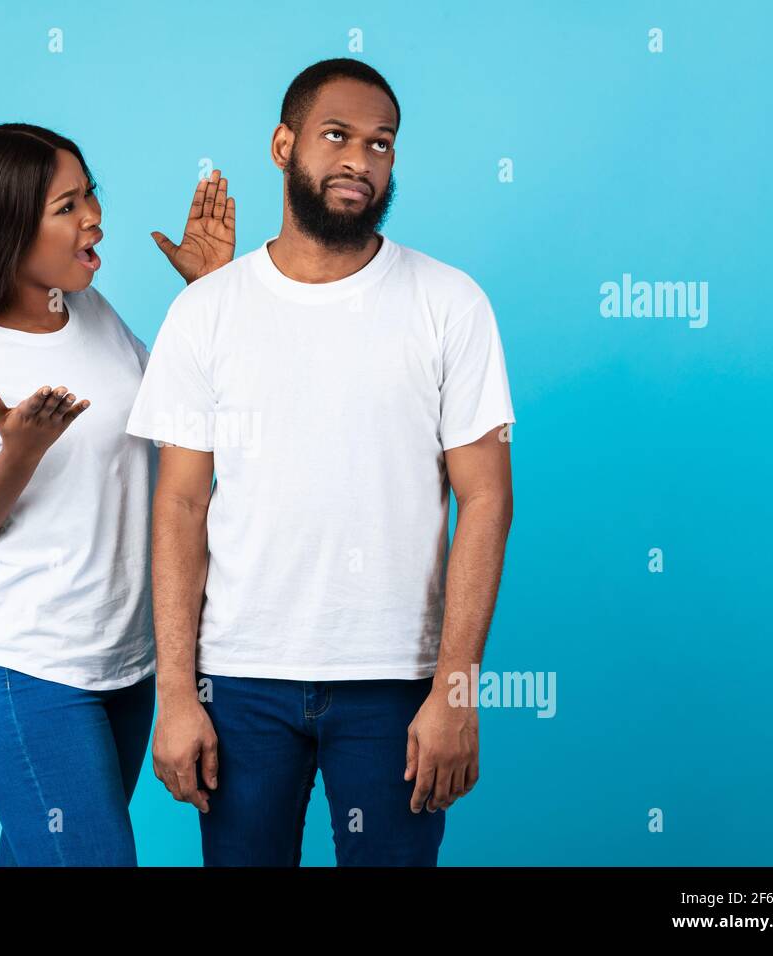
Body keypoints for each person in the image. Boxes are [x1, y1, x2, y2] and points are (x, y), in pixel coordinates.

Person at [125, 59, 517, 866]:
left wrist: (455, 692)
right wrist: (174, 694)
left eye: (381, 144)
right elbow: (180, 508)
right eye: (336, 135)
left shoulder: (450, 303)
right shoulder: (205, 309)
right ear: (283, 144)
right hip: (237, 681)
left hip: (397, 682)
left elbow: (485, 499)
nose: (360, 161)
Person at [0, 123, 235, 865]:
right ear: (5, 228)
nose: (95, 219)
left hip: (126, 665)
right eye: (67, 205)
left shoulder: (93, 314)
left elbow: (179, 418)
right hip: (28, 675)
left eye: (91, 196)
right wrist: (18, 454)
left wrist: (206, 295)